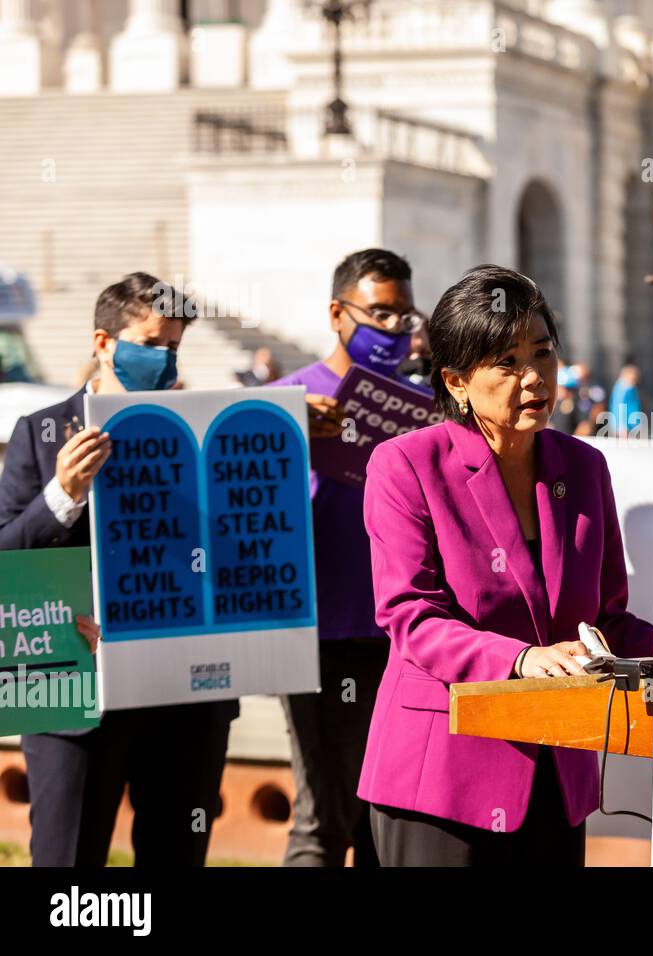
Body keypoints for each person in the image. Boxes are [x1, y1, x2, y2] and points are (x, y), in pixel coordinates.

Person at [360, 265, 653, 866]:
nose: (534, 378)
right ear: (456, 381)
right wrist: (522, 659)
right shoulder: (404, 465)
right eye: (506, 362)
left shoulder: (583, 467)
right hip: (442, 783)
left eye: (543, 353)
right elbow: (411, 619)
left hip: (559, 778)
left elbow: (605, 624)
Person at [0, 272, 237, 866]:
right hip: (75, 688)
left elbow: (238, 552)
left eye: (174, 347)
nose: (164, 359)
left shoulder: (205, 429)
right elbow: (9, 555)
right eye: (151, 343)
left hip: (185, 692)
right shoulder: (39, 434)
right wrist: (62, 493)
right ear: (104, 343)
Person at [269, 248, 428, 867]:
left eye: (404, 317)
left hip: (402, 638)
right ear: (338, 314)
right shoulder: (285, 400)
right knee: (323, 818)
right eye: (380, 313)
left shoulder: (418, 409)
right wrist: (289, 434)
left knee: (384, 823)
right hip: (317, 637)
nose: (394, 329)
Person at [607, 358, 642, 436]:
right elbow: (618, 406)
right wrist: (621, 426)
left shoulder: (632, 387)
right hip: (624, 426)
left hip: (632, 424)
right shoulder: (622, 387)